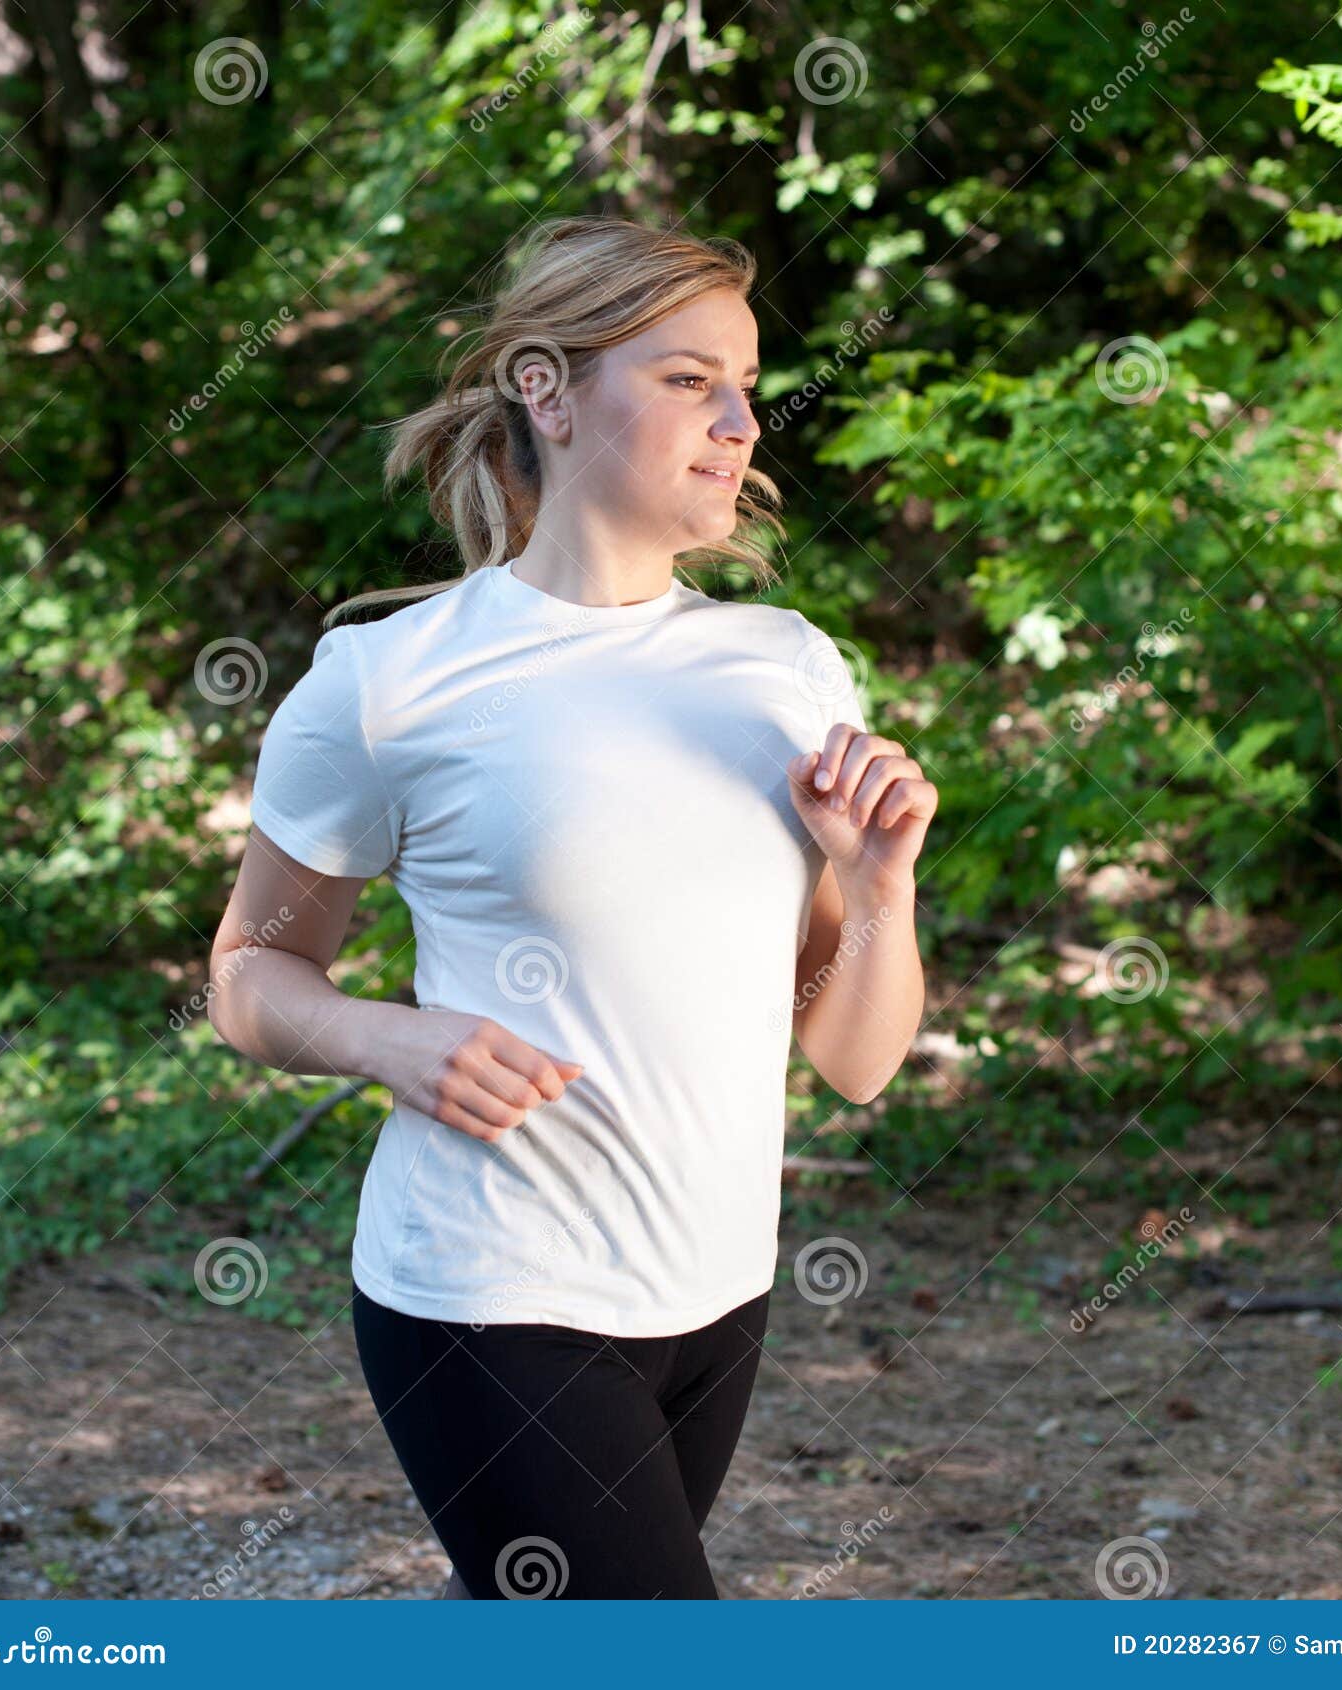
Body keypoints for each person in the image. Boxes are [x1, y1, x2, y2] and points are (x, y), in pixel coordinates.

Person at [208, 215, 936, 1599]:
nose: (740, 423)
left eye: (746, 387)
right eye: (688, 381)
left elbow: (852, 1055)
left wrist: (881, 884)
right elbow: (250, 969)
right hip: (493, 1293)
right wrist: (387, 1038)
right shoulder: (388, 682)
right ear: (546, 390)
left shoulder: (785, 666)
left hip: (717, 1288)